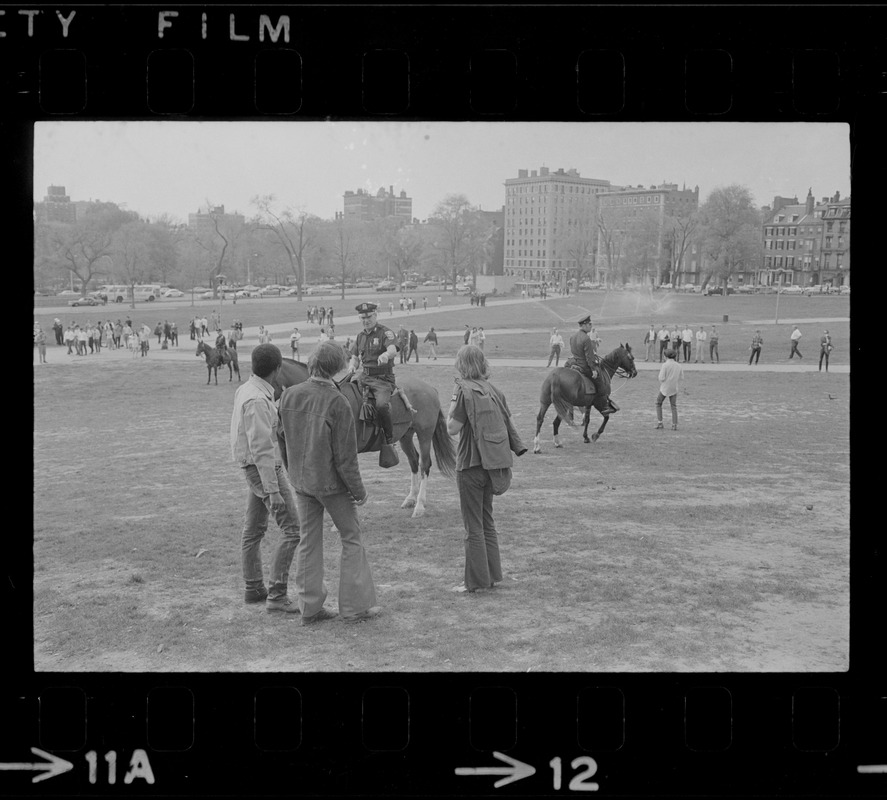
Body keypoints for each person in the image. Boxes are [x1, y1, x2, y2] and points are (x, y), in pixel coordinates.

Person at [277, 341, 380, 625]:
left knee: (309, 542)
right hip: (331, 485)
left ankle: (309, 608)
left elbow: (282, 438)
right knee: (351, 537)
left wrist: (293, 472)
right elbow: (346, 457)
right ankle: (355, 606)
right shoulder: (338, 401)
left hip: (302, 483)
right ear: (336, 369)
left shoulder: (290, 396)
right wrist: (359, 491)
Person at [446, 344, 526, 594]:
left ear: (462, 365)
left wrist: (451, 401)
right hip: (492, 465)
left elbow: (452, 427)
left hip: (470, 465)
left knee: (473, 527)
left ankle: (477, 582)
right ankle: (492, 575)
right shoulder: (494, 390)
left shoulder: (463, 391)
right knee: (487, 521)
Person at [230, 343, 302, 612]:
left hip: (252, 468)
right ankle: (277, 594)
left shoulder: (247, 390)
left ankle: (253, 587)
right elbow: (261, 448)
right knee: (293, 530)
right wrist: (272, 489)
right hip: (264, 469)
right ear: (278, 369)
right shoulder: (259, 401)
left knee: (253, 530)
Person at [348, 302, 400, 445]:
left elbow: (393, 349)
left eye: (369, 317)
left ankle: (389, 437)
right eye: (362, 318)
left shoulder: (385, 332)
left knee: (382, 405)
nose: (366, 320)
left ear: (376, 315)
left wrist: (386, 355)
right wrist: (352, 366)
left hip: (382, 379)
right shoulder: (360, 336)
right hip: (364, 377)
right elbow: (355, 357)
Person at [655, 349, 684, 431]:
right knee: (673, 406)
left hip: (665, 387)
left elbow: (661, 378)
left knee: (658, 403)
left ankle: (660, 422)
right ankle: (674, 424)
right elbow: (682, 377)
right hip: (674, 387)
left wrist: (664, 382)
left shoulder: (665, 365)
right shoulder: (678, 365)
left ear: (666, 357)